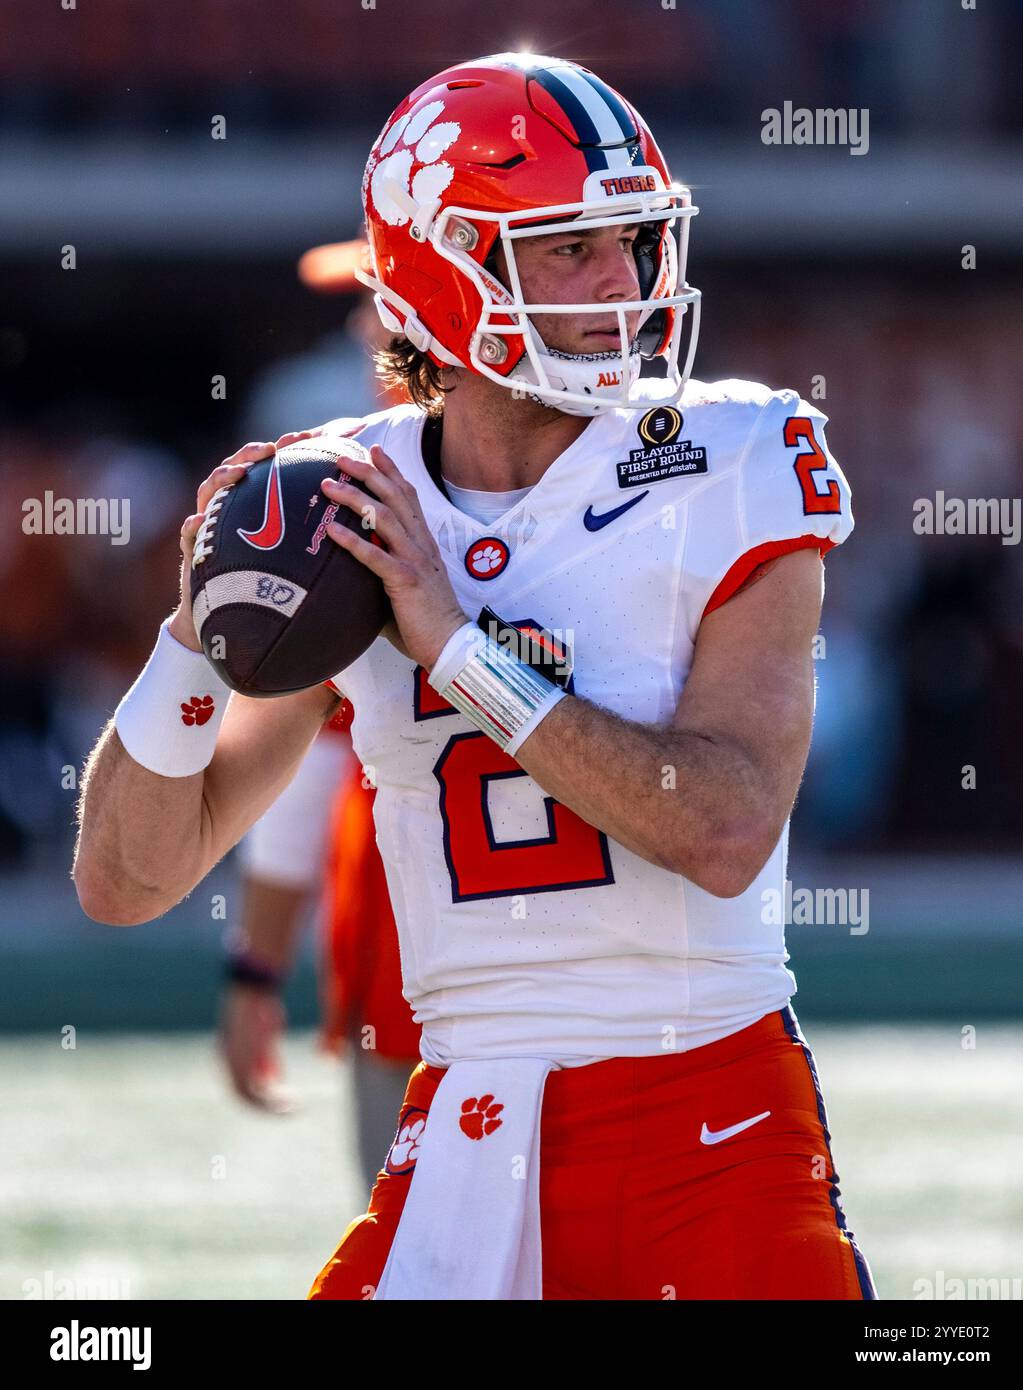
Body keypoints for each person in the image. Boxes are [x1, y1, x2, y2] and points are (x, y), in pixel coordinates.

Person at [74, 52, 876, 1300]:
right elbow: (127, 880)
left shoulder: (724, 456)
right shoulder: (349, 488)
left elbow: (723, 825)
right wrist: (192, 640)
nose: (624, 280)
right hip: (462, 1115)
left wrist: (456, 646)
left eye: (629, 236)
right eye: (568, 246)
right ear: (444, 275)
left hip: (703, 1107)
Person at [219, 238, 420, 1179]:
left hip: (422, 935)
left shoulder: (338, 467)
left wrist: (256, 964)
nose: (361, 324)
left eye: (383, 299)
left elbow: (305, 747)